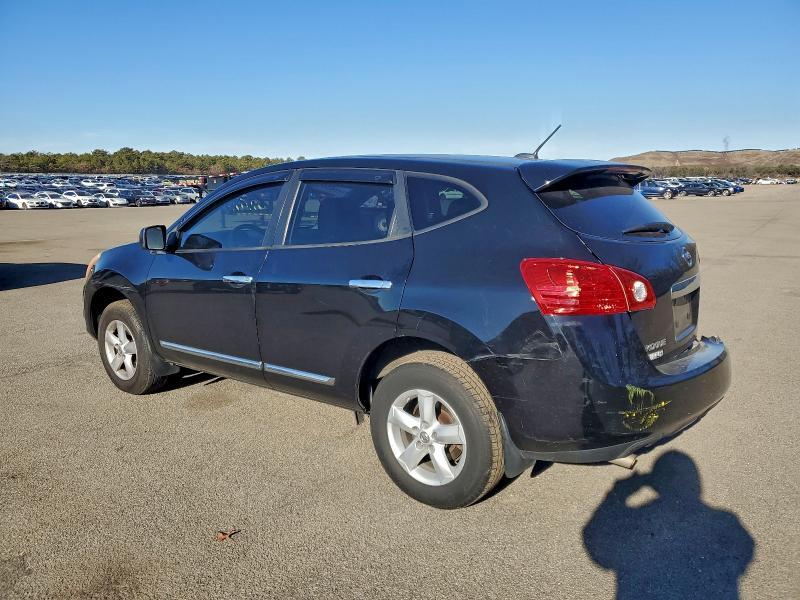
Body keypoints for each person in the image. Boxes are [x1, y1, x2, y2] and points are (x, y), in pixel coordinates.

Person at [583, 451, 754, 600]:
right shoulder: (725, 521)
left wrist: (618, 493)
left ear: (657, 484)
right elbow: (744, 552)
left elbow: (596, 540)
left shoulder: (636, 520)